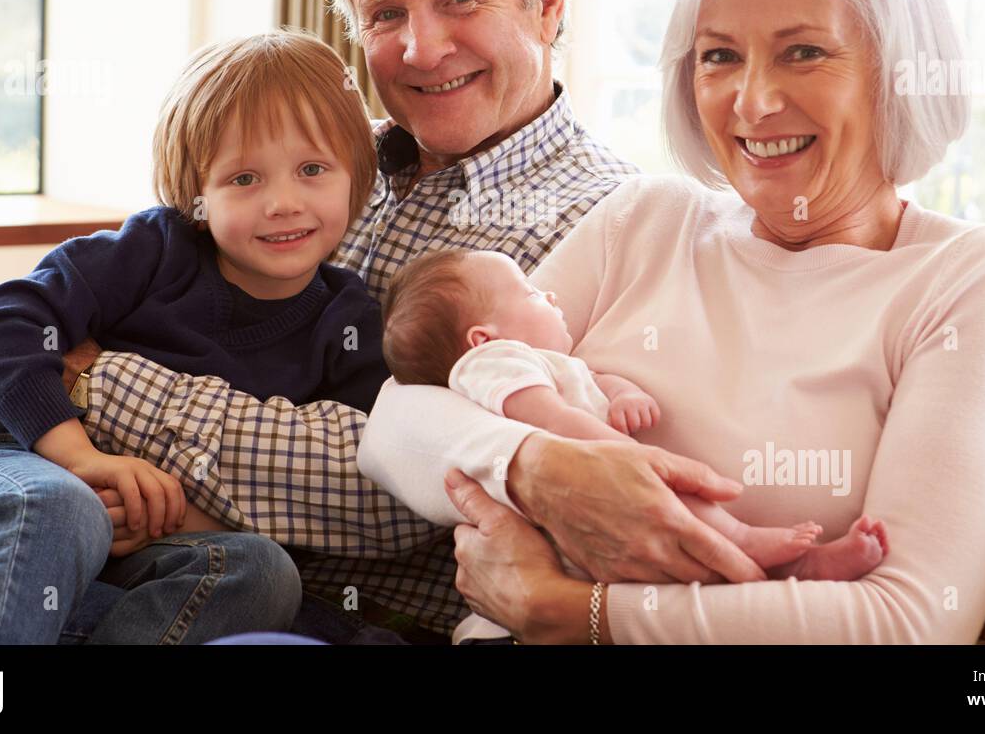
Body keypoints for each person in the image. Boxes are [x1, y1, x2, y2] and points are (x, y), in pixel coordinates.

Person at [0, 0, 639, 644]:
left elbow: (401, 474)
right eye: (384, 13)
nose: (421, 47)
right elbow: (30, 324)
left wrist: (93, 390)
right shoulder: (310, 157)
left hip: (290, 605)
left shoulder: (613, 225)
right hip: (105, 538)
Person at [356, 0, 985, 644]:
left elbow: (908, 623)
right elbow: (398, 422)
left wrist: (575, 612)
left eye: (804, 52)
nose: (752, 101)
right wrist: (538, 467)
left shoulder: (979, 279)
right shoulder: (646, 218)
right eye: (720, 56)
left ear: (899, 68)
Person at [0, 28, 390, 643]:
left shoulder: (349, 320)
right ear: (197, 195)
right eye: (244, 179)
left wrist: (166, 511)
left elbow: (346, 480)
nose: (283, 202)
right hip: (32, 463)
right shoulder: (152, 250)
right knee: (59, 507)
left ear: (358, 177)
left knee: (262, 573)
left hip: (167, 536)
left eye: (312, 169)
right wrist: (82, 459)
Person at [381, 246, 889, 642]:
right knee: (671, 502)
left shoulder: (544, 362)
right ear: (480, 339)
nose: (551, 296)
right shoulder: (492, 365)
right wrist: (623, 457)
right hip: (528, 593)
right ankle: (748, 541)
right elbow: (549, 416)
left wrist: (624, 396)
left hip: (585, 585)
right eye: (531, 293)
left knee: (668, 530)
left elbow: (595, 382)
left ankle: (792, 567)